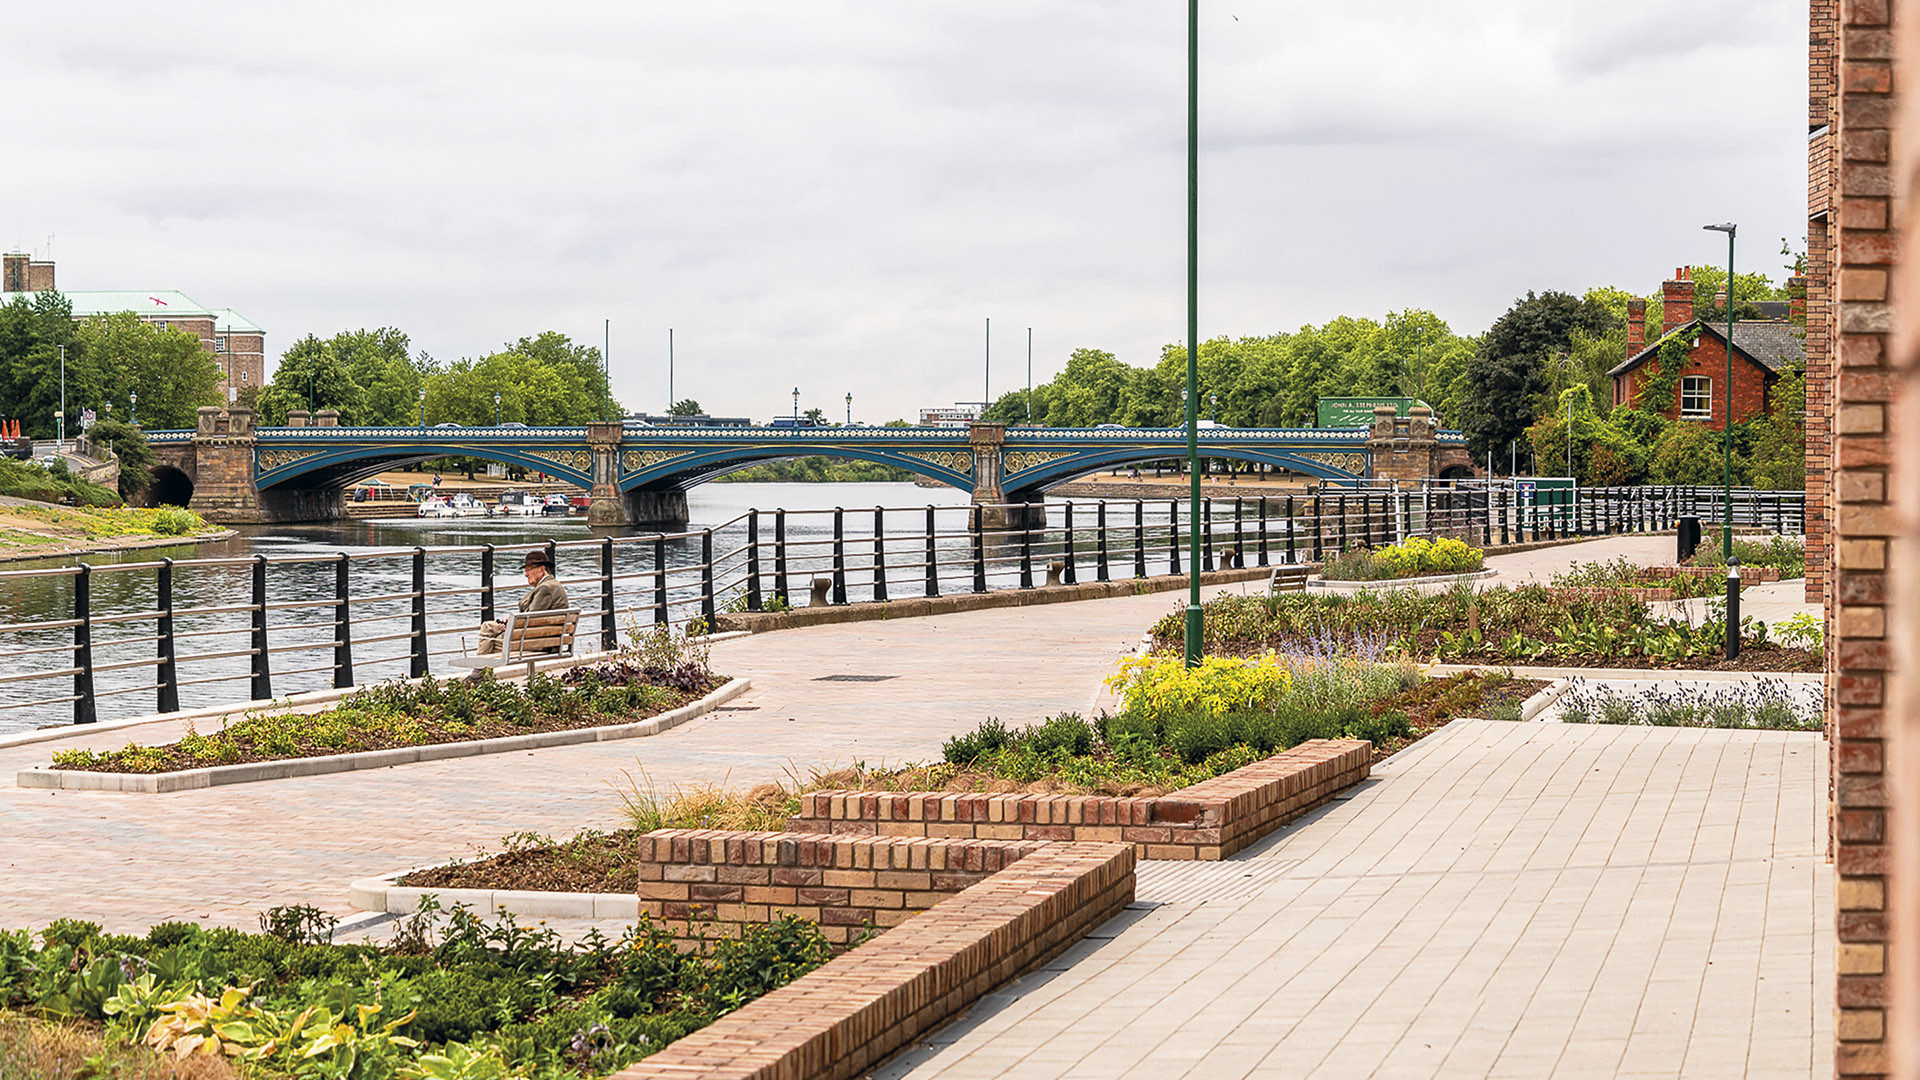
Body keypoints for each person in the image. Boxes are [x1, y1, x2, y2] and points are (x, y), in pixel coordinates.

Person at [477, 549, 569, 655]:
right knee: (489, 628)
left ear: (542, 569)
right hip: (546, 638)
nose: (526, 574)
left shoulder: (545, 588)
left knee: (489, 634)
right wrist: (509, 622)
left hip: (538, 643)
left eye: (529, 569)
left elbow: (530, 619)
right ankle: (480, 668)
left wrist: (510, 624)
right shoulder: (552, 585)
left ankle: (479, 668)